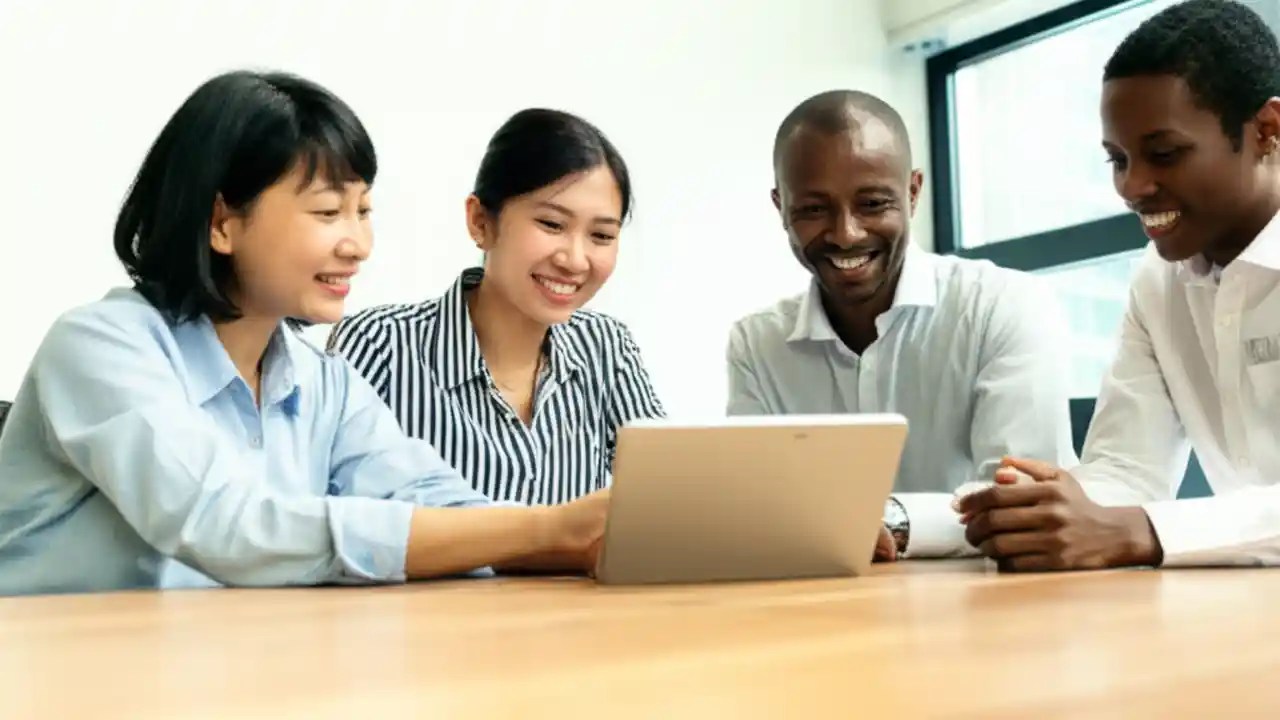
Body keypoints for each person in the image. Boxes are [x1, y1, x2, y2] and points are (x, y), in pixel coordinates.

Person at [0, 71, 606, 596]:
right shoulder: (100, 347)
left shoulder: (324, 383)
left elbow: (429, 499)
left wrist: (572, 535)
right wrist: (545, 530)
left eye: (364, 211)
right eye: (327, 213)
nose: (358, 245)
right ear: (221, 223)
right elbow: (227, 525)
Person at [961, 0, 1280, 571]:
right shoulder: (1157, 281)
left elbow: (1135, 522)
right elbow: (1129, 468)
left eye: (1164, 154)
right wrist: (1048, 505)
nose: (1132, 187)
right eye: (1117, 159)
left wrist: (1138, 530)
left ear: (1266, 131)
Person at [728, 89, 1076, 560]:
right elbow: (757, 511)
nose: (846, 233)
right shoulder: (757, 344)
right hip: (819, 614)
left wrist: (889, 521)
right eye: (813, 209)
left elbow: (1022, 507)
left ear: (913, 193)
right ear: (780, 207)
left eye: (872, 204)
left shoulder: (1003, 306)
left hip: (990, 608)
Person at [328, 109, 664, 505]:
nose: (575, 259)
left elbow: (666, 497)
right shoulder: (378, 346)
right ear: (480, 221)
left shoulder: (606, 346)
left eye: (601, 235)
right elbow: (338, 520)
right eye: (552, 225)